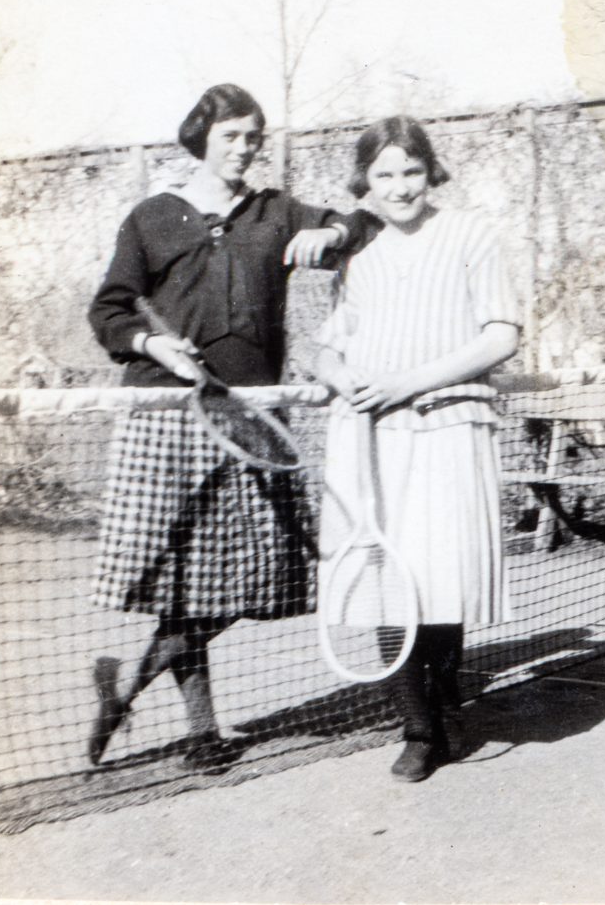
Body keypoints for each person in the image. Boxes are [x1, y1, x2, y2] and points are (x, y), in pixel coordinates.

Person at [87, 82, 366, 770]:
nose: (244, 149)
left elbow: (368, 227)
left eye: (253, 137)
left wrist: (331, 232)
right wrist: (155, 346)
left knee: (247, 579)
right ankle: (202, 734)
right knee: (187, 582)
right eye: (231, 137)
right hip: (167, 418)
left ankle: (123, 689)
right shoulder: (152, 217)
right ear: (201, 139)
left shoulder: (277, 214)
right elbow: (111, 311)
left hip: (251, 419)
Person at [316, 115, 520, 782]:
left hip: (448, 432)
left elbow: (500, 336)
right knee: (386, 586)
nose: (400, 187)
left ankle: (441, 692)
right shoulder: (357, 249)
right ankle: (420, 728)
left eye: (411, 171)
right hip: (370, 440)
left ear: (431, 170)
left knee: (441, 583)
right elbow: (327, 347)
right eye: (384, 174)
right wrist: (343, 379)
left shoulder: (473, 234)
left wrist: (408, 383)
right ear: (364, 180)